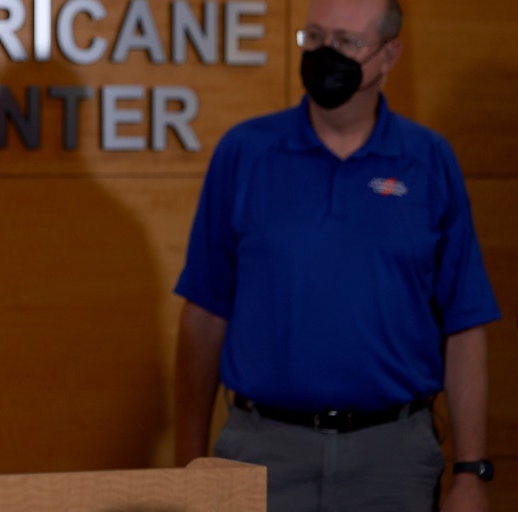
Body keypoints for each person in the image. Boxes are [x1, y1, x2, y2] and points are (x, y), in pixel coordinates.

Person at [173, 1, 500, 511]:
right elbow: (204, 314)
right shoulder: (245, 152)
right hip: (260, 453)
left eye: (347, 43)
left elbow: (464, 325)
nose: (327, 55)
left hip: (393, 461)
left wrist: (471, 472)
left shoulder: (429, 160)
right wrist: (187, 464)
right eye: (316, 38)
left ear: (390, 55)